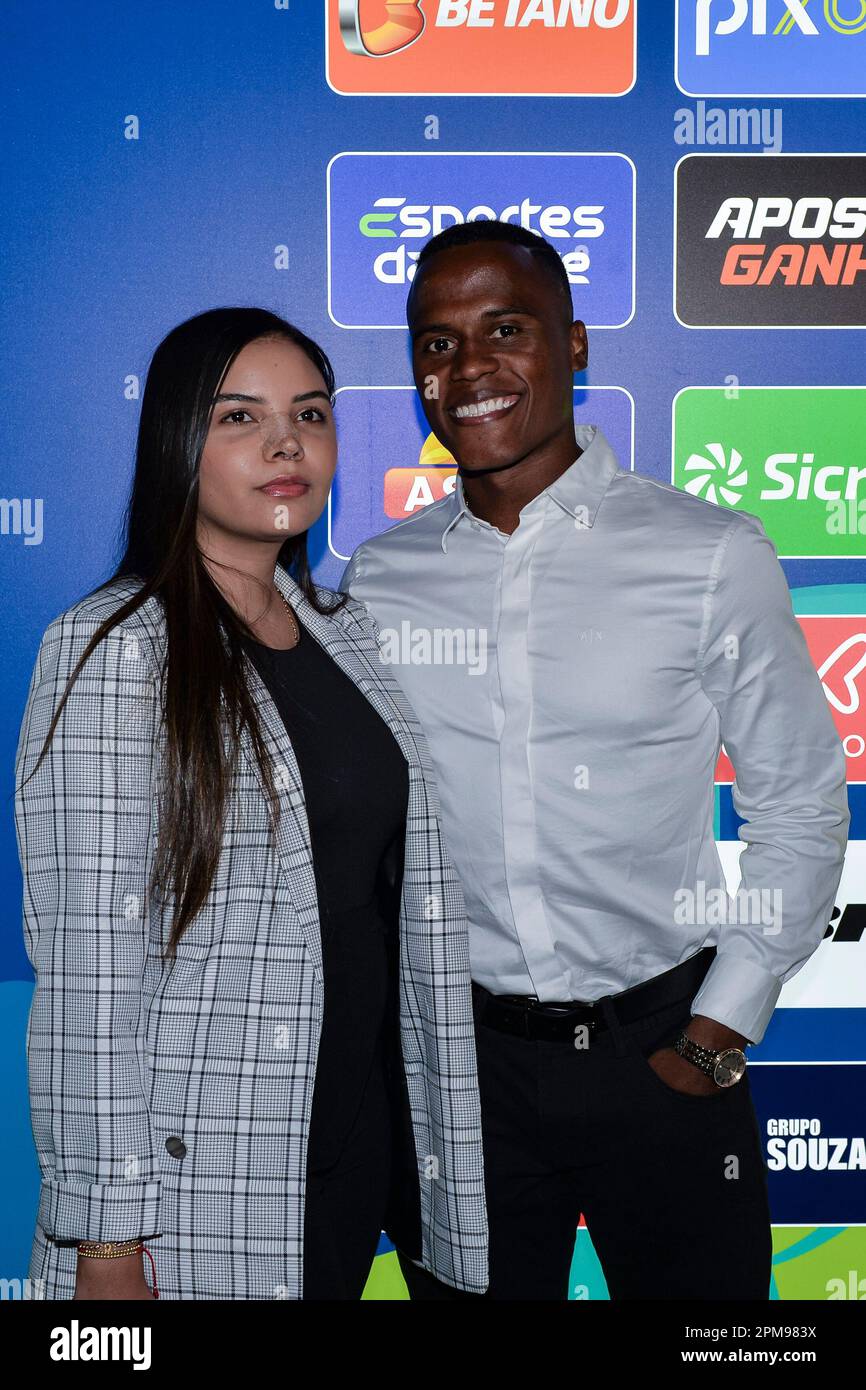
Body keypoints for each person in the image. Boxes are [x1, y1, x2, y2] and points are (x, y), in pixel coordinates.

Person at [340, 219, 851, 1301]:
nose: (467, 367)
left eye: (504, 328)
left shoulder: (707, 555)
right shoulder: (377, 580)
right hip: (461, 1077)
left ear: (574, 346)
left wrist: (720, 1026)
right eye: (435, 342)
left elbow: (800, 802)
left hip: (664, 1049)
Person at [14, 307, 487, 1301]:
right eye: (240, 417)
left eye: (310, 414)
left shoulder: (345, 631)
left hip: (348, 1153)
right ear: (179, 442)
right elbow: (93, 972)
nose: (286, 443)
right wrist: (105, 1237)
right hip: (198, 1185)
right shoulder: (112, 649)